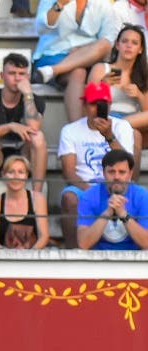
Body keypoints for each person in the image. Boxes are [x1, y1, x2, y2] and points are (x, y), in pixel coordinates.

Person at [58, 80, 134, 248]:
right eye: (93, 103)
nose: (98, 108)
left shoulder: (122, 127)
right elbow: (69, 172)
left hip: (118, 184)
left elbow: (128, 165)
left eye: (103, 103)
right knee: (69, 197)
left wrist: (109, 136)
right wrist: (93, 193)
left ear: (110, 104)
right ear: (84, 105)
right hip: (84, 187)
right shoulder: (70, 130)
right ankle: (73, 253)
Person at [31, 0, 118, 122]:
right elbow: (41, 28)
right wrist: (59, 5)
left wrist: (83, 50)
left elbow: (109, 38)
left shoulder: (103, 3)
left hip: (86, 57)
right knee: (78, 72)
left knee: (104, 44)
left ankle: (52, 71)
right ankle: (76, 131)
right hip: (52, 54)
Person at [0, 52, 47, 196]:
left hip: (24, 154)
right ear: (2, 76)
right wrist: (10, 126)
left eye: (21, 74)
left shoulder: (36, 100)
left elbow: (34, 126)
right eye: (12, 73)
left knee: (38, 136)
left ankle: (37, 195)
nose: (17, 78)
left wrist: (28, 95)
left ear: (27, 77)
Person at [87, 23, 148, 159]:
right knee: (135, 135)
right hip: (106, 116)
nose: (129, 46)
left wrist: (139, 95)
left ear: (140, 49)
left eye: (134, 43)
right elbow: (88, 102)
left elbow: (146, 112)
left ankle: (132, 180)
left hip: (132, 121)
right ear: (117, 44)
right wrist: (103, 85)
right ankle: (119, 126)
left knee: (136, 134)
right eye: (124, 41)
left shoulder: (143, 74)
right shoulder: (101, 68)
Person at [77, 148, 148, 249]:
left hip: (134, 261)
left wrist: (123, 214)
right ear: (104, 173)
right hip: (97, 260)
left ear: (130, 174)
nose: (116, 177)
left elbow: (146, 243)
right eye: (111, 172)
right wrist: (107, 213)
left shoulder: (143, 196)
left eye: (122, 172)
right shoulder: (88, 197)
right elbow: (83, 243)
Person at [0, 154, 50, 249]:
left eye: (21, 172)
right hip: (3, 258)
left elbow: (44, 237)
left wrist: (29, 256)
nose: (16, 176)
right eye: (11, 172)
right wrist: (9, 255)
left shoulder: (38, 199)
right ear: (3, 175)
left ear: (27, 175)